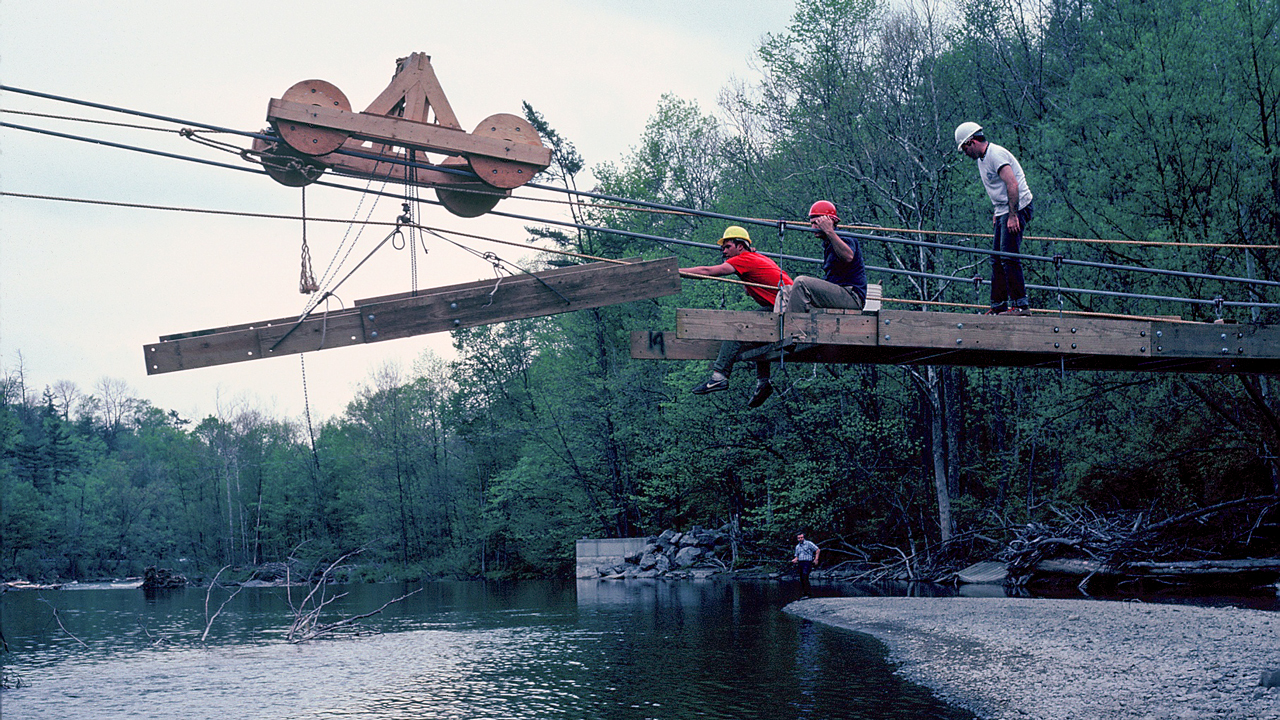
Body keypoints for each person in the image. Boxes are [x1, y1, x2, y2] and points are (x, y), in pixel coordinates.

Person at [686, 225, 793, 408]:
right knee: (757, 337)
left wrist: (677, 272)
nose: (724, 251)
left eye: (727, 246)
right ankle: (763, 382)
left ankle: (718, 376)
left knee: (737, 327)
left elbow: (708, 272)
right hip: (786, 308)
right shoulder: (755, 259)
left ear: (740, 246)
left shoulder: (745, 259)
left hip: (786, 311)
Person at [955, 122, 1035, 316]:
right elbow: (999, 189)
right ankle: (999, 305)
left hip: (1018, 206)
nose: (965, 153)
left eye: (964, 148)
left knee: (1009, 256)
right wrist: (998, 211)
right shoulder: (982, 159)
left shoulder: (995, 155)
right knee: (997, 258)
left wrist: (1013, 215)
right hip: (1004, 209)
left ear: (972, 142)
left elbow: (1012, 184)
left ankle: (1020, 305)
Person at [778, 201, 867, 314]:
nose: (812, 227)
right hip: (837, 292)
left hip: (852, 296)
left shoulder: (843, 236)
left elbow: (848, 257)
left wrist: (829, 231)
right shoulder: (828, 242)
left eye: (816, 223)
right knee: (786, 291)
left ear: (829, 222)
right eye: (811, 223)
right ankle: (778, 327)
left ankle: (792, 327)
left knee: (801, 283)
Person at [791, 532, 820, 596]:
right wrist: (795, 559)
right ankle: (805, 593)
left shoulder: (808, 543)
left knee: (805, 576)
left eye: (801, 537)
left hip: (808, 562)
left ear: (803, 537)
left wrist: (816, 559)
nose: (800, 539)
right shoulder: (797, 547)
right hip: (801, 563)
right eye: (799, 538)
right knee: (801, 578)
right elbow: (797, 556)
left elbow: (817, 550)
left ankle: (808, 593)